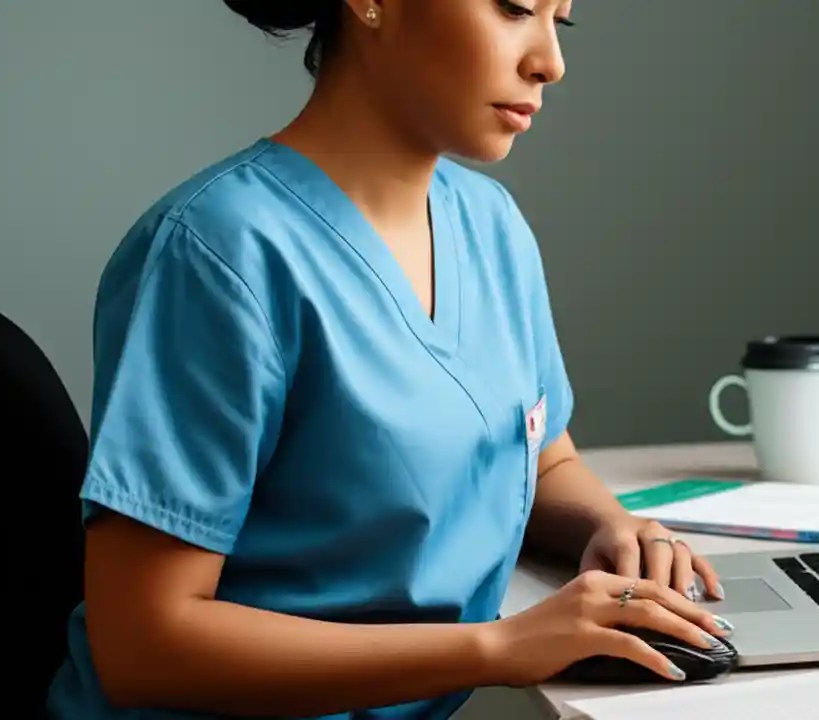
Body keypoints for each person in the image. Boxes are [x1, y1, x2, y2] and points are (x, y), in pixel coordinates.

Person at [46, 1, 733, 718]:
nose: (550, 63)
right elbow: (144, 645)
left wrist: (609, 527)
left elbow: (540, 458)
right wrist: (498, 647)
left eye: (560, 21)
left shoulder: (491, 226)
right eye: (514, 8)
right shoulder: (217, 256)